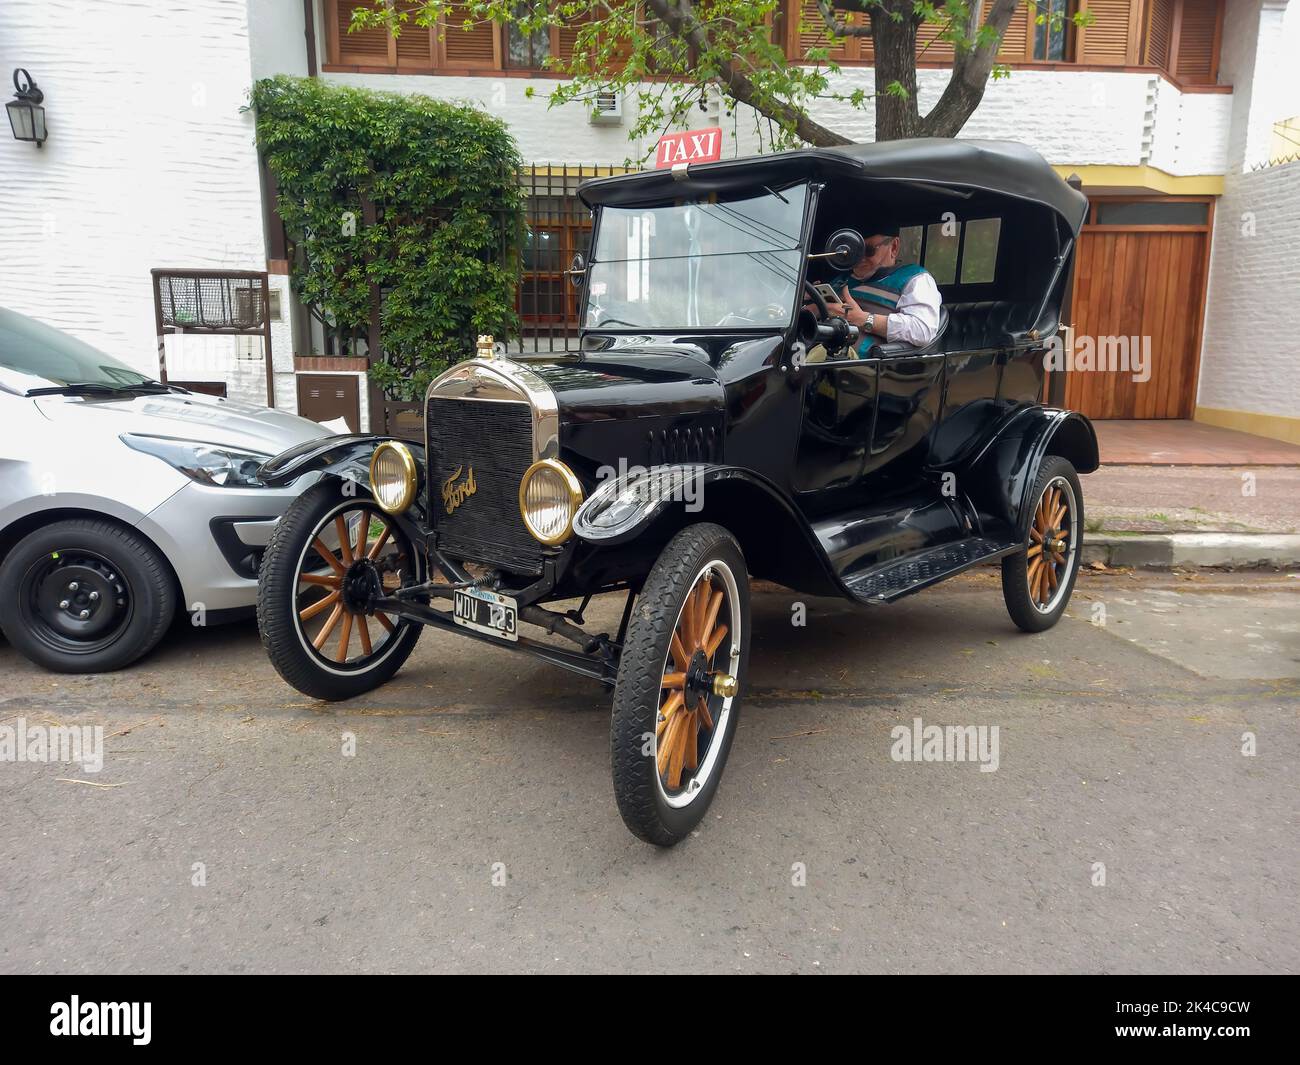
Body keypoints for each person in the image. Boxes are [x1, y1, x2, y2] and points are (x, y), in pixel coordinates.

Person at [823, 221, 942, 353]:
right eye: (853, 250)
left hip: (864, 361)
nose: (859, 258)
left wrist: (863, 319)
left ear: (894, 247)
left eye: (868, 250)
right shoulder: (840, 280)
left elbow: (922, 330)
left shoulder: (915, 279)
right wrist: (815, 306)